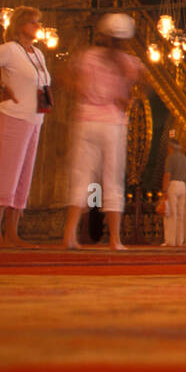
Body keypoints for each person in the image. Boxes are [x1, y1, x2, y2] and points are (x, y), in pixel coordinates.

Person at [0, 6, 51, 248]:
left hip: (35, 118)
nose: (38, 26)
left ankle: (13, 233)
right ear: (20, 25)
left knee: (24, 175)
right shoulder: (9, 50)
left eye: (38, 22)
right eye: (33, 22)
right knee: (8, 171)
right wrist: (0, 85)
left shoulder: (37, 53)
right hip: (13, 116)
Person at [60, 13, 142, 250]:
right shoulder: (127, 61)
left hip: (85, 120)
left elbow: (65, 75)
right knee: (112, 179)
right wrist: (126, 98)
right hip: (112, 124)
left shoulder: (88, 57)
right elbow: (144, 81)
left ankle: (69, 236)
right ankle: (115, 239)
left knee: (81, 177)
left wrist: (82, 89)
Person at [162, 133, 186, 246]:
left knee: (171, 214)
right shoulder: (184, 158)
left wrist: (164, 190)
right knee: (180, 214)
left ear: (171, 147)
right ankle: (179, 241)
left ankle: (170, 241)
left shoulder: (170, 157)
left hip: (173, 185)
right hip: (183, 186)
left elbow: (167, 175)